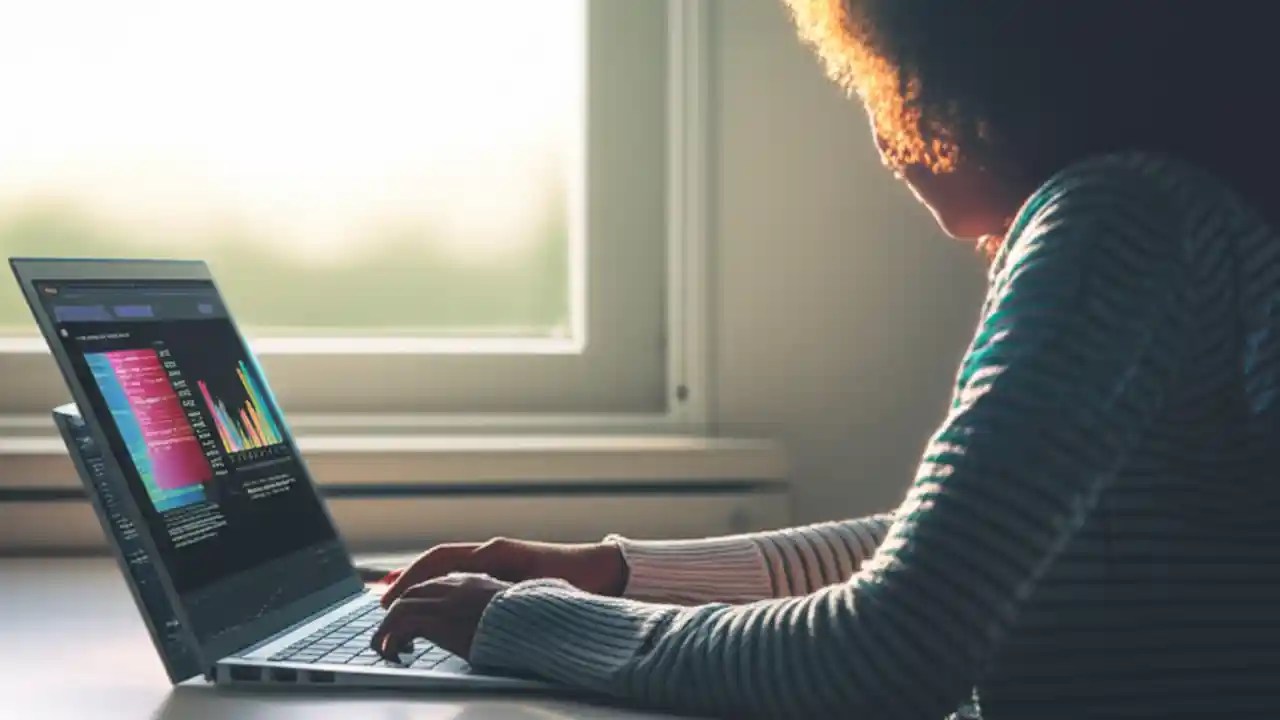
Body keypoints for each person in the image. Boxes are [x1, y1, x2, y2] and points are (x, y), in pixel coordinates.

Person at [371, 2, 1280, 718]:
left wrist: (516, 620)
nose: (885, 129)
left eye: (886, 77)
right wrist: (615, 574)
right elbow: (941, 556)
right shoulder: (1182, 212)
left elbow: (890, 653)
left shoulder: (1120, 221)